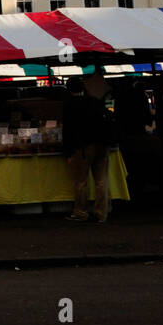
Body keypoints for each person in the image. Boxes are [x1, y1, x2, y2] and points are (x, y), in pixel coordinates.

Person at [63, 77, 114, 223]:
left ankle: (81, 212)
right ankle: (101, 213)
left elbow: (68, 131)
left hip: (83, 148)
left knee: (80, 182)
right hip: (102, 146)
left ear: (69, 89)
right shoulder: (94, 101)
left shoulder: (70, 105)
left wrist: (68, 152)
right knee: (101, 180)